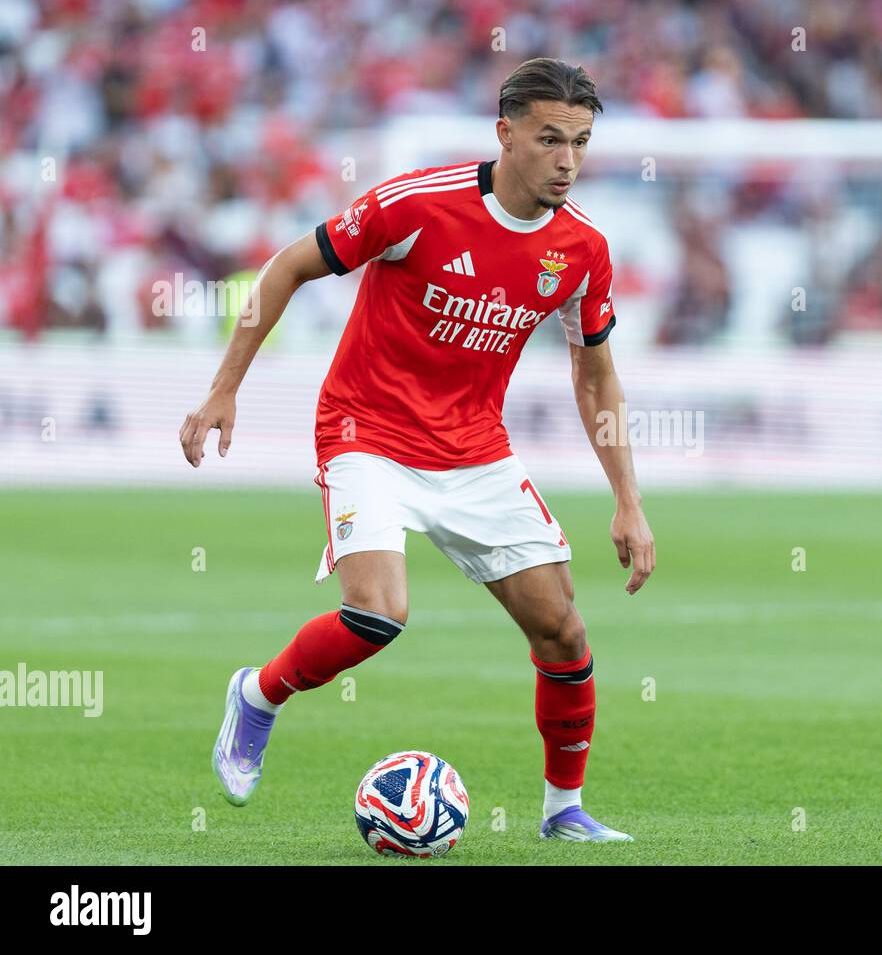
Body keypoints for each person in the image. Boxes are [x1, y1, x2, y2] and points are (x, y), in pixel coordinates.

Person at [180, 58, 654, 842]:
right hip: (367, 431)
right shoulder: (416, 204)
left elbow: (597, 377)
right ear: (505, 135)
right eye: (549, 139)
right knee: (378, 613)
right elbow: (290, 265)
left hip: (475, 451)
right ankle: (258, 696)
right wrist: (224, 388)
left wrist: (628, 501)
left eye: (580, 141)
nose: (567, 160)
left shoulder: (582, 251)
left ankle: (563, 811)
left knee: (563, 632)